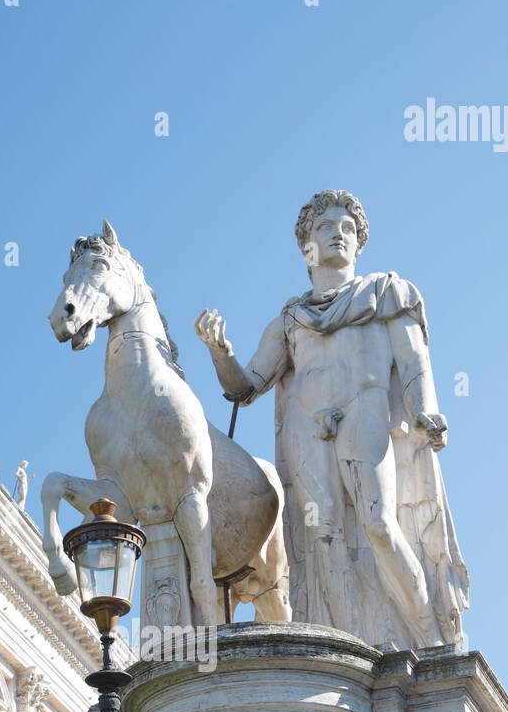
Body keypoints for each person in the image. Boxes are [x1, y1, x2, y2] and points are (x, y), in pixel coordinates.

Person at [195, 190, 468, 648]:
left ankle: (431, 638)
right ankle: (350, 648)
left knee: (380, 525)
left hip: (366, 411)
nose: (339, 234)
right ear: (308, 246)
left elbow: (415, 362)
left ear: (358, 242)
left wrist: (425, 412)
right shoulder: (290, 320)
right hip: (307, 428)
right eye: (326, 228)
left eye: (347, 228)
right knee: (323, 541)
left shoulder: (386, 293)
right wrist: (220, 352)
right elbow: (245, 388)